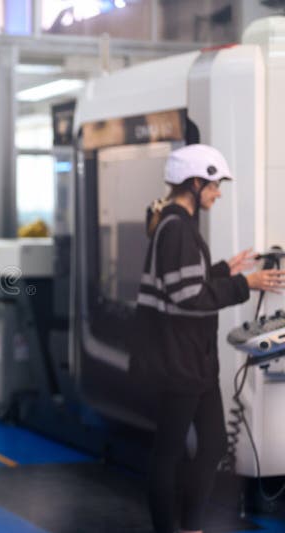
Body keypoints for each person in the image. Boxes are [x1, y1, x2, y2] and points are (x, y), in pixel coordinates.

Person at [136, 144, 285, 533]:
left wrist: (222, 268)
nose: (218, 193)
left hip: (193, 361)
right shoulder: (177, 228)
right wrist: (244, 283)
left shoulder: (178, 226)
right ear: (196, 182)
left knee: (214, 444)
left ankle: (191, 527)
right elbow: (188, 297)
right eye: (216, 185)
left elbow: (182, 284)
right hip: (178, 362)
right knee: (167, 454)